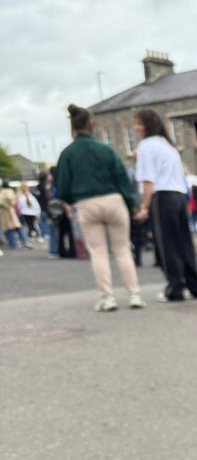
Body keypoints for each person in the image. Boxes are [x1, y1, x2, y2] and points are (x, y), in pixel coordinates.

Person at [55, 104, 145, 310]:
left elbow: (62, 187)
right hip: (113, 200)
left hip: (86, 202)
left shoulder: (67, 153)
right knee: (122, 250)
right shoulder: (105, 150)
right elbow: (122, 179)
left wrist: (73, 198)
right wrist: (130, 205)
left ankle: (107, 297)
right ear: (91, 123)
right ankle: (134, 294)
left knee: (98, 252)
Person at [133, 107, 197, 301]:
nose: (135, 128)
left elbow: (148, 179)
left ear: (146, 125)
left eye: (138, 124)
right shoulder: (168, 145)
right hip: (178, 196)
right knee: (184, 243)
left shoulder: (146, 145)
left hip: (162, 197)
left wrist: (144, 206)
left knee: (166, 245)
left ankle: (175, 287)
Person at [0, 182, 31, 250]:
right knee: (17, 227)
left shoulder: (2, 192)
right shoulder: (10, 191)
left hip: (4, 212)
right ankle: (24, 241)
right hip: (10, 211)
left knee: (8, 229)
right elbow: (13, 202)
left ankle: (12, 244)